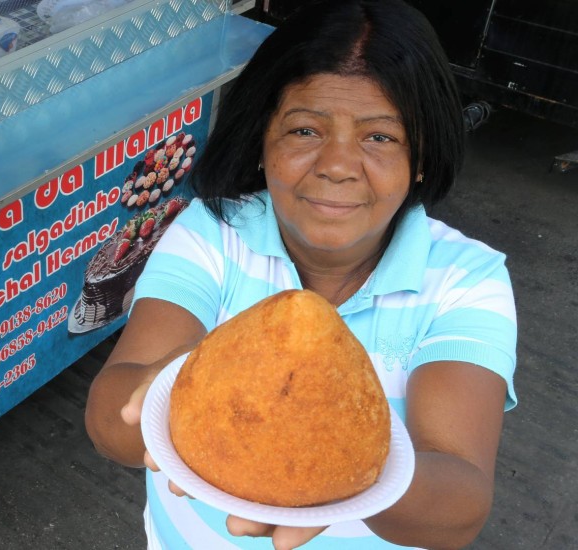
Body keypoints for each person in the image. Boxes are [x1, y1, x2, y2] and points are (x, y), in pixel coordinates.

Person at [84, 0, 518, 548]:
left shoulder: (466, 280)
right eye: (305, 130)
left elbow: (459, 509)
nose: (337, 164)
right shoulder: (213, 233)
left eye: (380, 137)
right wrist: (180, 384)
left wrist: (350, 470)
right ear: (262, 140)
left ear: (423, 156)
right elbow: (108, 421)